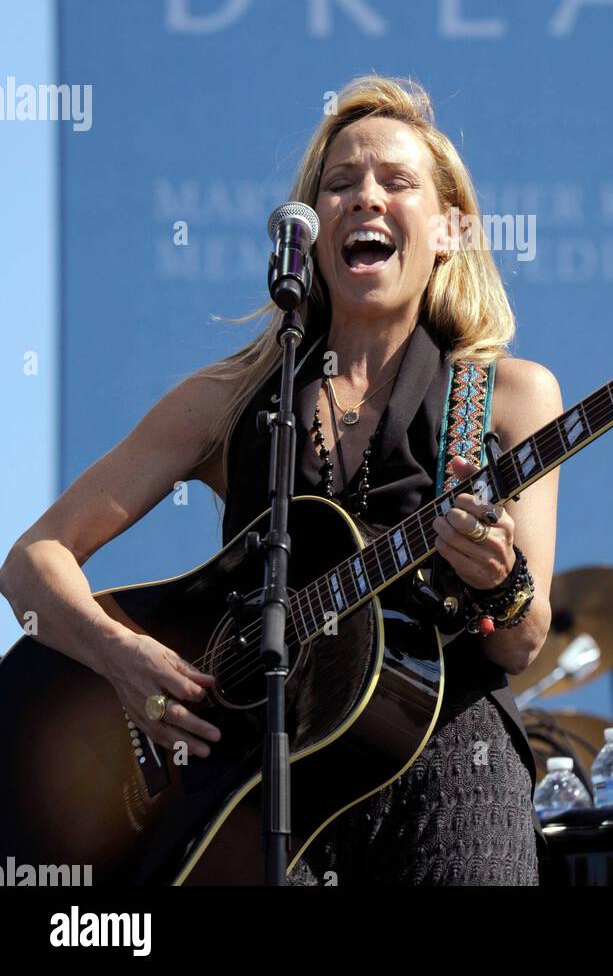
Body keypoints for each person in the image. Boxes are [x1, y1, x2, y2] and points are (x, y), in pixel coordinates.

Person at [0, 74, 562, 886]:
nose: (365, 198)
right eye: (340, 185)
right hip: (262, 788)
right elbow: (29, 565)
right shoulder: (225, 400)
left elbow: (520, 639)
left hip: (450, 766)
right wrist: (123, 658)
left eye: (396, 183)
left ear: (449, 229)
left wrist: (498, 579)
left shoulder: (507, 395)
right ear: (309, 231)